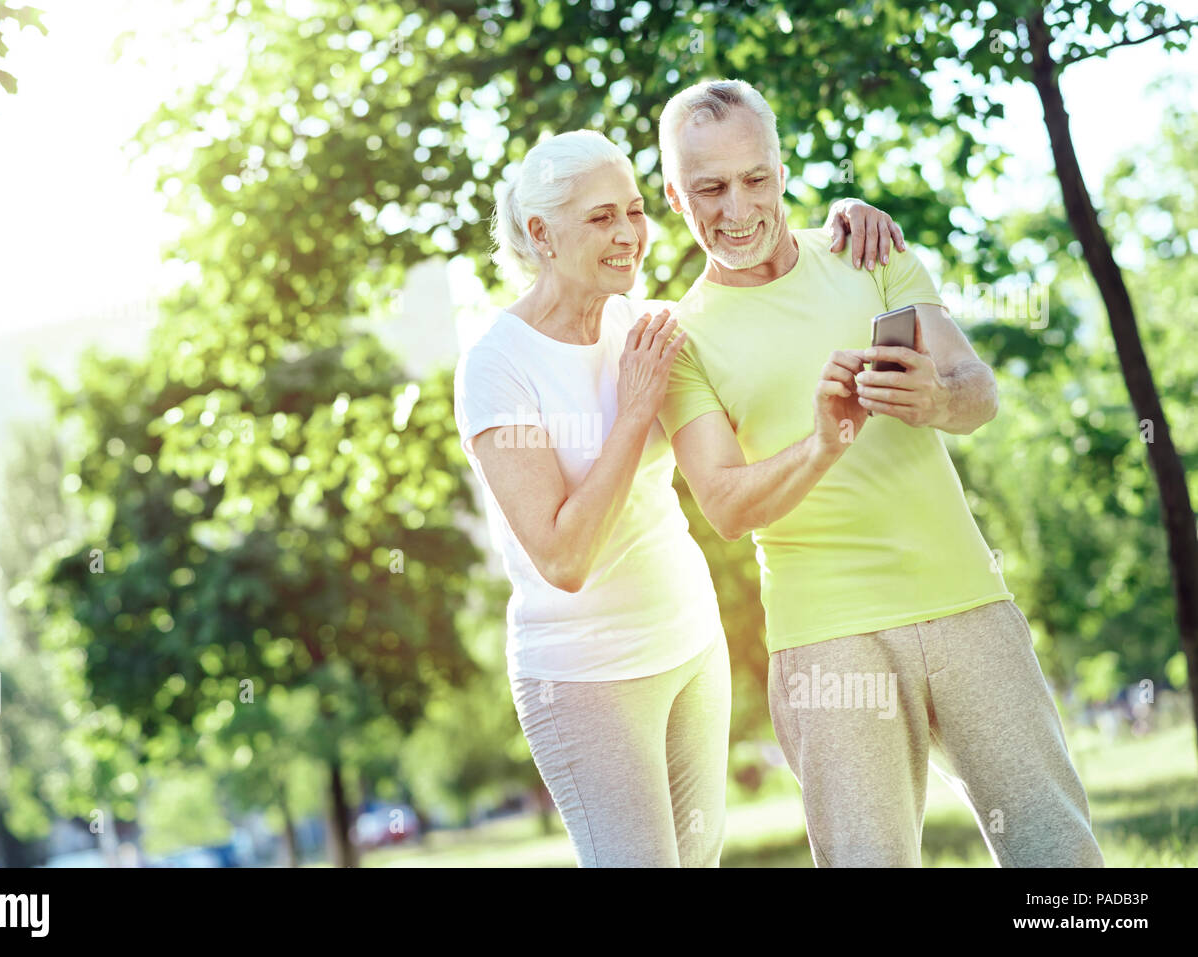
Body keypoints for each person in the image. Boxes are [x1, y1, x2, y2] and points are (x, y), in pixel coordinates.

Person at [654, 79, 1104, 867]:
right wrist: (821, 445)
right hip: (828, 636)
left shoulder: (870, 250)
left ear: (782, 167)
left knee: (1057, 857)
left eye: (754, 178)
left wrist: (934, 397)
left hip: (968, 598)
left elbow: (979, 393)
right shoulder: (680, 340)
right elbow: (724, 504)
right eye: (709, 188)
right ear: (672, 192)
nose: (736, 208)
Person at [453, 127, 902, 866]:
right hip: (585, 675)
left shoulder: (651, 323)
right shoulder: (497, 363)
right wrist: (632, 413)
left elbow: (752, 285)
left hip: (691, 646)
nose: (630, 234)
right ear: (542, 233)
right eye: (602, 218)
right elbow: (564, 556)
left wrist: (843, 223)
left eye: (634, 211)